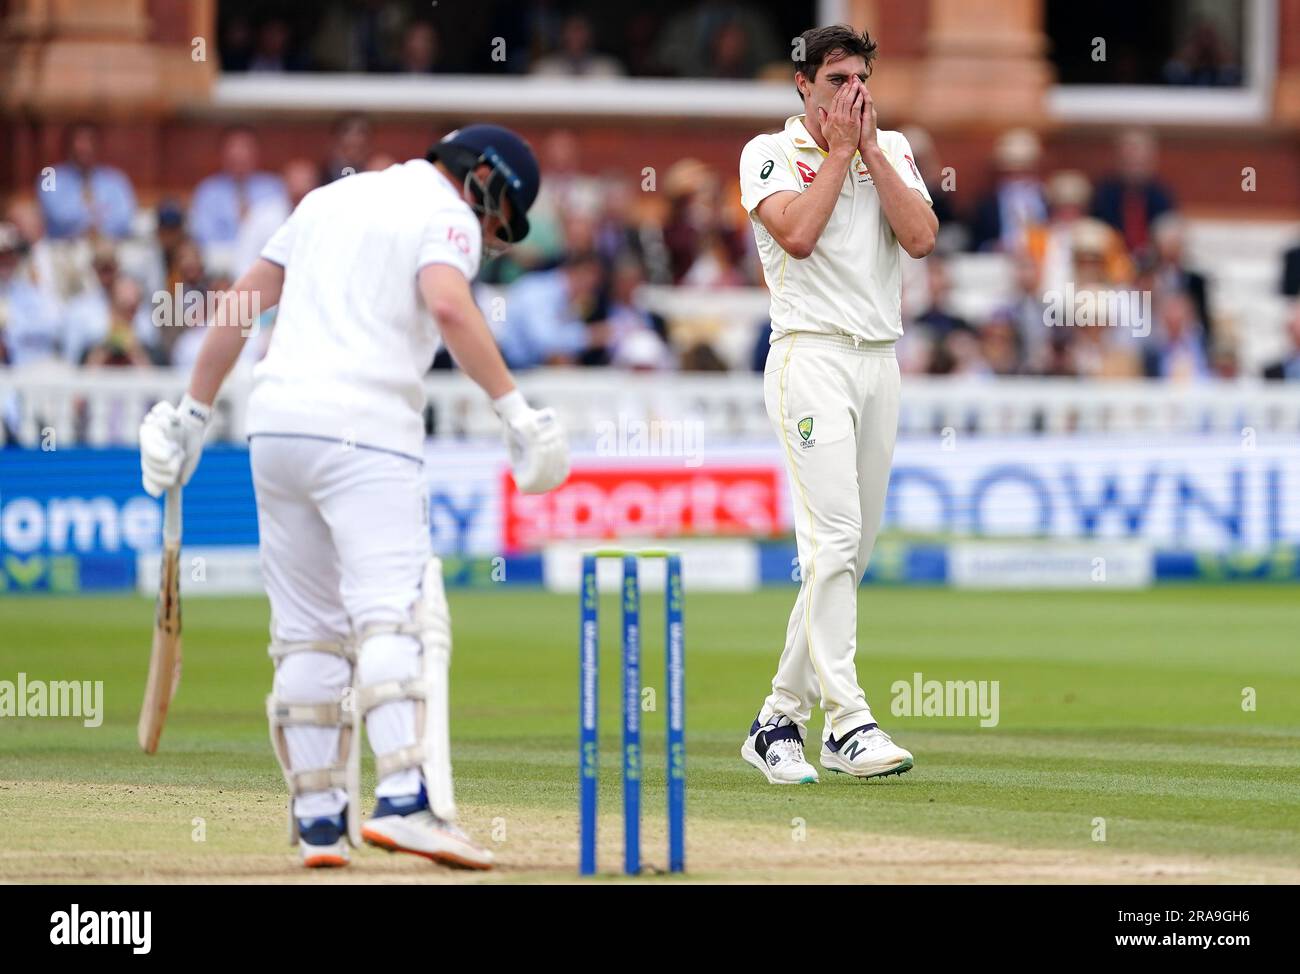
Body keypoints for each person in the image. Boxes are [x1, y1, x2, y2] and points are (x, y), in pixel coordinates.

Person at [136, 124, 570, 870]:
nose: (492, 238)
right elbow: (450, 307)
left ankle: (318, 820)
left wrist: (191, 411)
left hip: (275, 432)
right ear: (484, 182)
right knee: (390, 615)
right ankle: (403, 800)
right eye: (500, 220)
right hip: (367, 431)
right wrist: (516, 410)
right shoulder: (446, 216)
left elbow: (243, 304)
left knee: (306, 630)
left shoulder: (327, 199)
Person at [737, 24, 934, 785]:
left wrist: (874, 152)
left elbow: (919, 238)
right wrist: (842, 154)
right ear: (804, 87)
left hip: (879, 360)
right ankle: (847, 724)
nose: (854, 95)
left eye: (861, 79)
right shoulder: (769, 153)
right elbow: (798, 235)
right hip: (810, 356)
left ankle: (777, 718)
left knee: (848, 554)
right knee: (834, 542)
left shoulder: (896, 151)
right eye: (837, 81)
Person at [189, 127, 287, 247]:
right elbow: (203, 236)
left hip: (266, 258)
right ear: (222, 153)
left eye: (245, 148)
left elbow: (282, 232)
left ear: (256, 152)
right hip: (219, 260)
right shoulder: (208, 191)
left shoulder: (273, 188)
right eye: (233, 148)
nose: (239, 154)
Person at [38, 122, 137, 241]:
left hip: (107, 247)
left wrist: (97, 229)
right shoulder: (50, 176)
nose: (85, 147)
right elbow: (58, 215)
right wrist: (95, 216)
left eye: (90, 141)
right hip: (62, 248)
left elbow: (124, 218)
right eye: (80, 141)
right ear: (69, 144)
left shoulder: (116, 179)